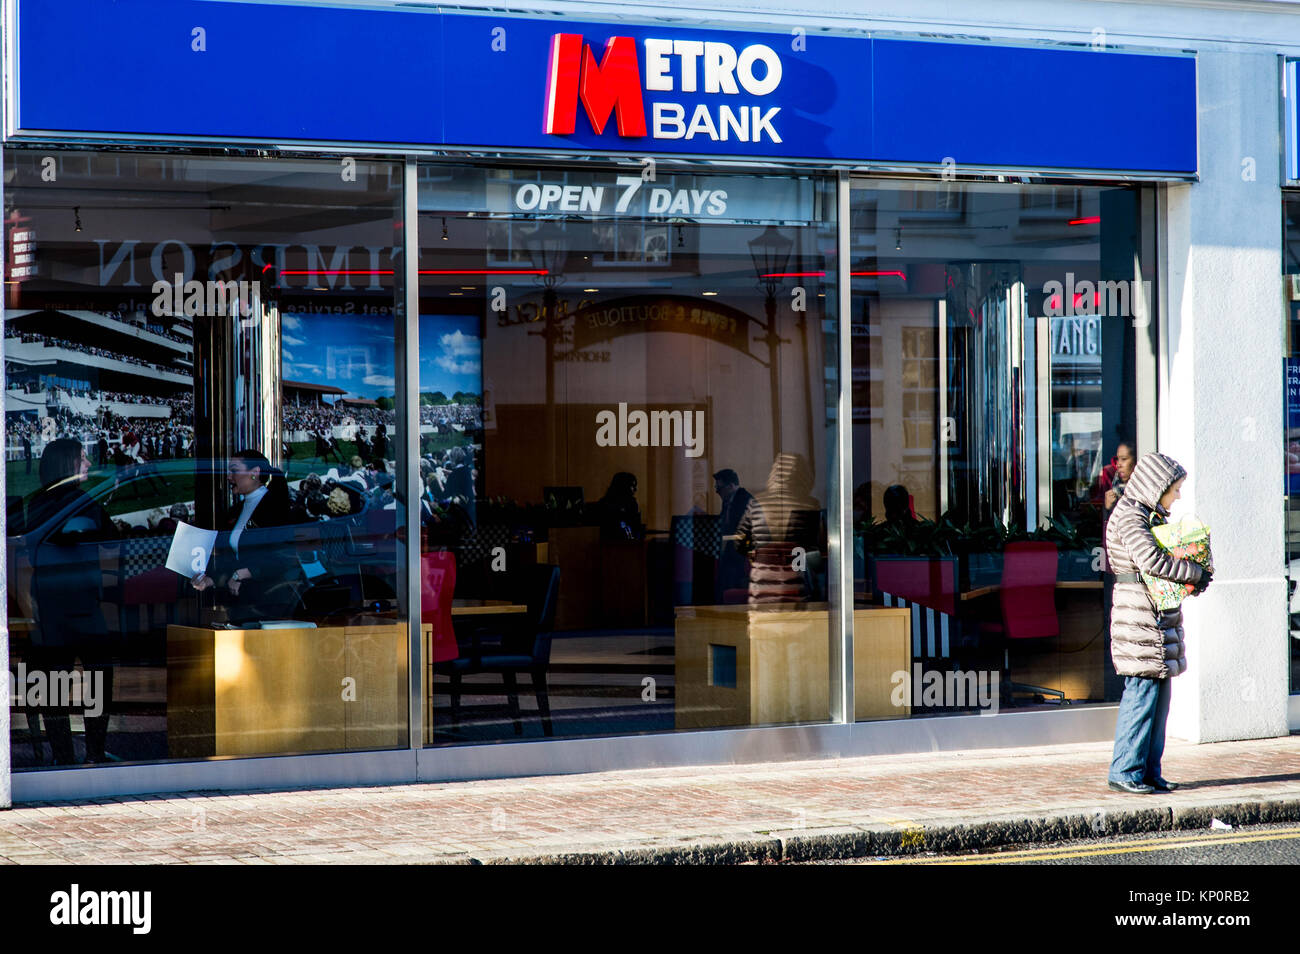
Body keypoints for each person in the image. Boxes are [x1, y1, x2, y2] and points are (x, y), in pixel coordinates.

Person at [1105, 452, 1210, 795]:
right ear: (1157, 485)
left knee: (1158, 697)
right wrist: (1194, 572)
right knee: (1142, 694)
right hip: (1139, 618)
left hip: (1152, 616)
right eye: (1175, 489)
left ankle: (1149, 771)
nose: (1177, 496)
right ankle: (1125, 770)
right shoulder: (1130, 516)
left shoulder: (1146, 514)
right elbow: (1151, 560)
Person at [25, 438, 118, 763]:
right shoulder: (78, 501)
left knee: (53, 686)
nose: (89, 464)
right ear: (68, 463)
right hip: (75, 606)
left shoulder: (39, 501)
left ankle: (63, 756)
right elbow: (110, 538)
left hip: (51, 603)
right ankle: (92, 752)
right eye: (82, 458)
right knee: (97, 681)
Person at [190, 448, 295, 623]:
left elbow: (283, 557)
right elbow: (230, 558)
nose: (229, 477)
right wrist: (210, 580)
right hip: (243, 603)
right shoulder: (235, 512)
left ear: (255, 473)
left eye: (234, 470)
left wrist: (245, 573)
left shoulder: (276, 508)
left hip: (271, 603)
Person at [713, 468, 753, 603]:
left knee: (727, 571)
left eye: (719, 488)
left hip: (745, 551)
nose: (717, 492)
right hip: (734, 548)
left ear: (731, 486)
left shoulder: (744, 499)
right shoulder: (728, 501)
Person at [597, 471, 643, 541]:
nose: (635, 489)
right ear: (623, 486)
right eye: (632, 486)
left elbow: (636, 528)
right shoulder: (606, 504)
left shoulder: (632, 504)